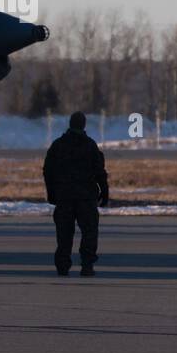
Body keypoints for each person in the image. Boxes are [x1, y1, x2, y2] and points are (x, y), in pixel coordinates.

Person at [43, 111, 109, 277]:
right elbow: (99, 171)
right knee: (89, 232)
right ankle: (87, 265)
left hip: (64, 196)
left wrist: (51, 193)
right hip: (86, 197)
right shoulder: (90, 145)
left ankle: (63, 265)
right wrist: (104, 190)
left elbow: (48, 171)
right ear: (84, 125)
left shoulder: (58, 145)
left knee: (64, 234)